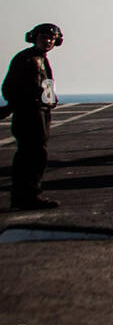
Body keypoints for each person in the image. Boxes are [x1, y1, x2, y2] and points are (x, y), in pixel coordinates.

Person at [3, 23, 63, 209]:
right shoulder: (26, 59)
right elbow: (8, 88)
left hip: (40, 113)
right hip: (28, 114)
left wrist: (50, 99)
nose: (48, 41)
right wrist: (28, 101)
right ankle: (27, 197)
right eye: (43, 38)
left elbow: (46, 87)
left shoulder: (40, 59)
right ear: (35, 38)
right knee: (31, 155)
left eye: (51, 39)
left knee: (36, 154)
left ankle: (26, 196)